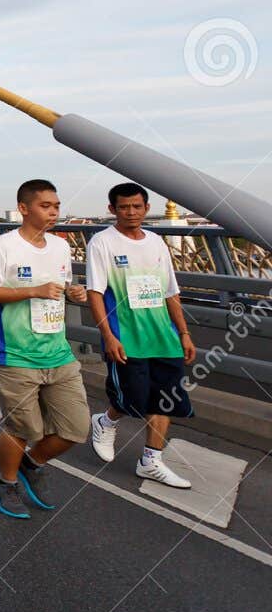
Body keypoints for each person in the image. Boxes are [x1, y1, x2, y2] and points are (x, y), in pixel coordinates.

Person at [0, 179, 90, 520]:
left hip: (58, 352)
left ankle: (31, 463)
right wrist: (32, 291)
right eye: (45, 206)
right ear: (24, 208)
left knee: (75, 429)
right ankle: (6, 483)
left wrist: (73, 292)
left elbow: (62, 285)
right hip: (14, 354)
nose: (53, 212)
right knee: (23, 429)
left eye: (56, 206)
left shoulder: (61, 247)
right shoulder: (3, 246)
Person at [84, 183, 196, 488]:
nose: (131, 212)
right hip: (126, 337)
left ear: (147, 208)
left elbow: (171, 292)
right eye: (123, 207)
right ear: (112, 210)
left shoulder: (157, 242)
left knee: (165, 401)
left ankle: (151, 461)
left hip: (163, 337)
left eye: (136, 206)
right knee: (133, 399)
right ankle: (105, 421)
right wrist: (107, 335)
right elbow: (94, 292)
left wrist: (184, 333)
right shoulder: (102, 242)